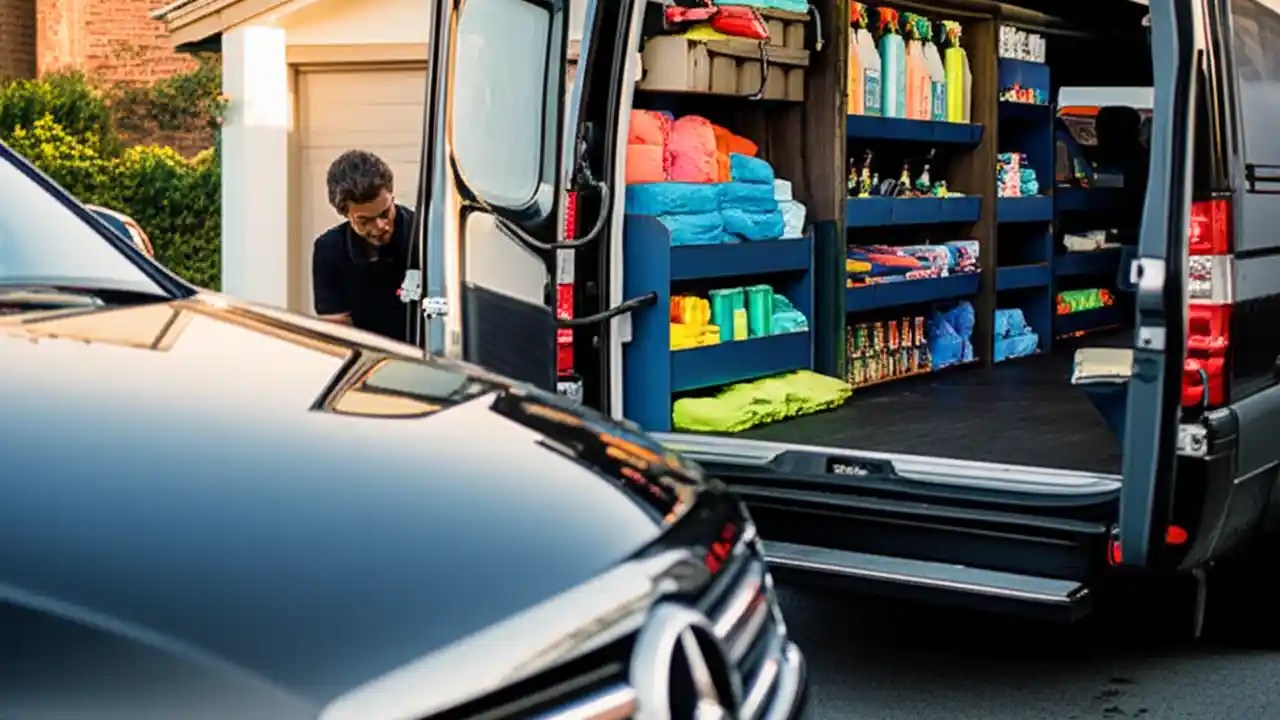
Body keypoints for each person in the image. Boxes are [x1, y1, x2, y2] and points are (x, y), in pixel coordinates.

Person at [311, 149, 416, 343]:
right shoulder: (329, 250)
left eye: (385, 213)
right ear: (345, 214)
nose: (380, 226)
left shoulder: (424, 234)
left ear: (392, 197)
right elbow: (339, 334)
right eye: (365, 221)